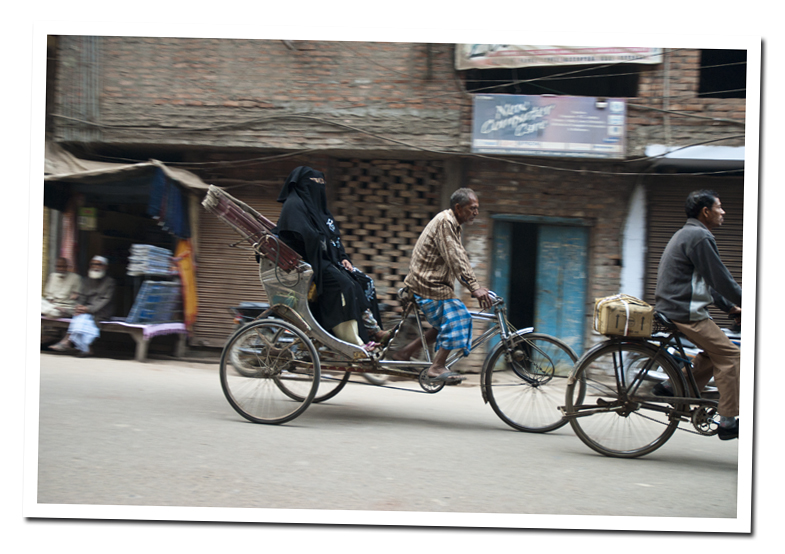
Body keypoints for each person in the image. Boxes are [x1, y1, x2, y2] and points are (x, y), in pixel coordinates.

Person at [654, 189, 742, 440]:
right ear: (706, 211)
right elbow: (721, 279)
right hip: (685, 311)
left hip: (677, 307)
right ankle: (727, 422)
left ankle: (673, 386)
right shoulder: (700, 236)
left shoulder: (688, 233)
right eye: (719, 207)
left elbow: (706, 281)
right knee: (731, 356)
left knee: (715, 354)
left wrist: (732, 308)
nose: (723, 212)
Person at [274, 166, 387, 348]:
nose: (318, 188)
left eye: (321, 184)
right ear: (302, 184)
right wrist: (327, 250)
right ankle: (354, 342)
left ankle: (373, 330)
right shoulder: (293, 205)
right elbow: (308, 237)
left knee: (364, 281)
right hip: (309, 262)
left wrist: (343, 257)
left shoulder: (321, 211)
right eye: (314, 183)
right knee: (345, 286)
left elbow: (333, 237)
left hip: (329, 261)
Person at [397, 188, 492, 382]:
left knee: (444, 323)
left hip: (434, 284)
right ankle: (437, 367)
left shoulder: (453, 224)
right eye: (472, 208)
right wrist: (474, 287)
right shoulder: (445, 222)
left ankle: (405, 353)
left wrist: (474, 285)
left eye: (477, 208)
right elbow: (455, 258)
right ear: (458, 208)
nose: (476, 212)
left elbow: (460, 255)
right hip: (427, 285)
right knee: (460, 317)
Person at [49, 255, 116, 357]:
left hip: (102, 311)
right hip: (86, 309)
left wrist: (88, 309)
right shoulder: (87, 280)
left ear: (105, 267)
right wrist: (79, 306)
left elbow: (105, 300)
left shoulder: (110, 282)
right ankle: (87, 348)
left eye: (98, 264)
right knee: (80, 315)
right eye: (93, 264)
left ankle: (67, 341)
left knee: (82, 317)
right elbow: (82, 297)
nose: (95, 267)